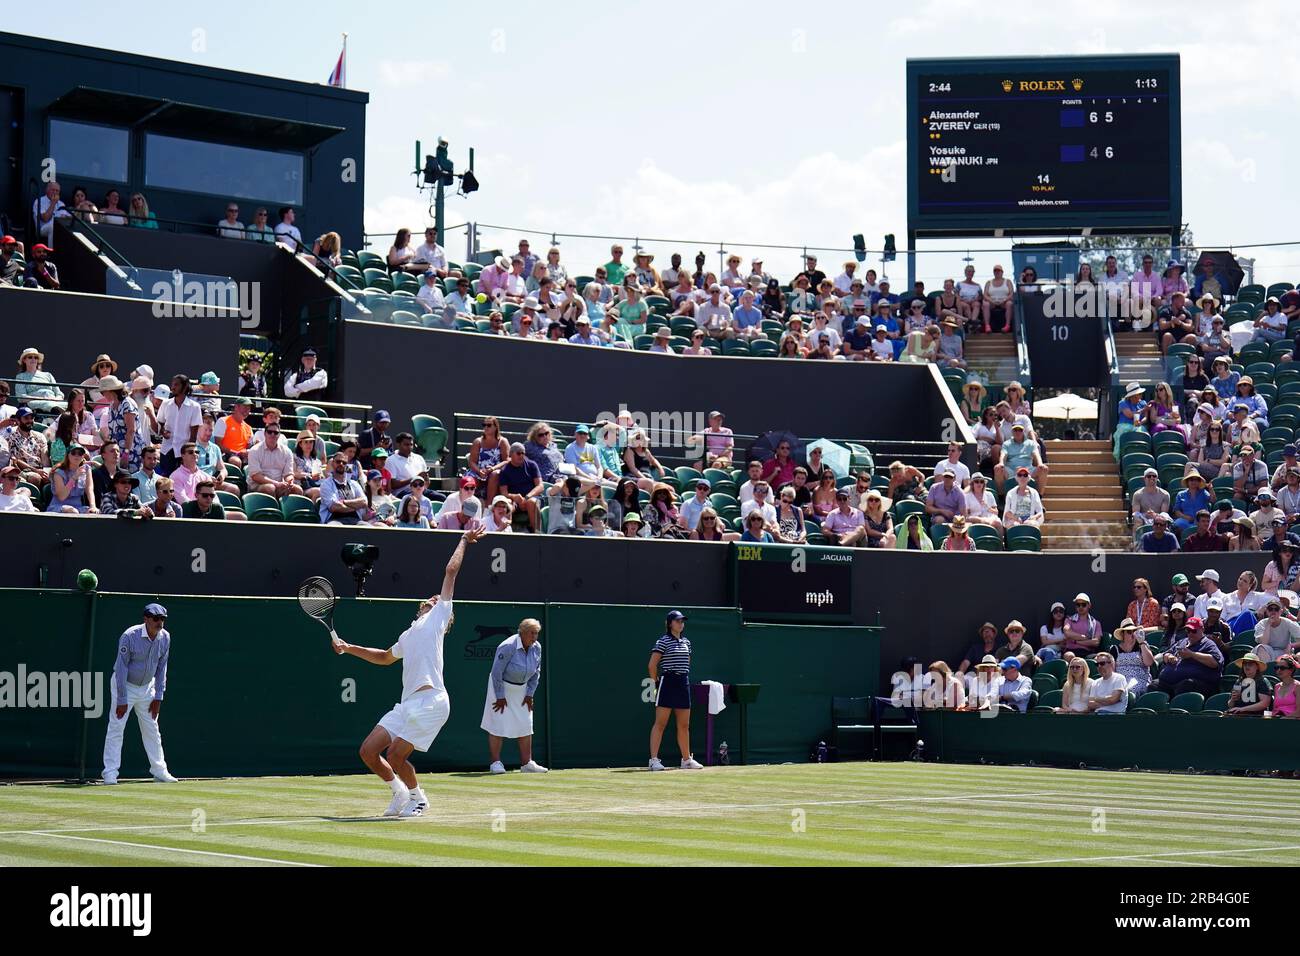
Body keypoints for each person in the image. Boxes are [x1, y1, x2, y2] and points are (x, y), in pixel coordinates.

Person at [333, 528, 485, 816]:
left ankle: (419, 798)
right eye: (431, 598)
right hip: (407, 704)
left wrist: (464, 539)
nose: (434, 599)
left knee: (395, 754)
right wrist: (348, 647)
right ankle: (399, 792)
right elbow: (385, 657)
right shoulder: (409, 633)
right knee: (368, 751)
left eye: (438, 600)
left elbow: (450, 572)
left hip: (432, 701)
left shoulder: (438, 618)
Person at [101, 603, 178, 784]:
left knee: (152, 729)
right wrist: (122, 698)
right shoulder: (129, 636)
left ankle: (159, 771)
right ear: (146, 619)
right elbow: (121, 668)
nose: (160, 623)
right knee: (116, 728)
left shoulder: (165, 638)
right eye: (156, 619)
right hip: (125, 686)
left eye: (163, 619)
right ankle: (110, 773)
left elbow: (161, 668)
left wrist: (159, 696)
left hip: (147, 688)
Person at [480, 618, 548, 774]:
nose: (535, 637)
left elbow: (536, 672)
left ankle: (526, 764)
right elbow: (497, 672)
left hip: (522, 689)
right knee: (498, 723)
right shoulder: (508, 646)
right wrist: (500, 696)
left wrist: (529, 694)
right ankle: (495, 763)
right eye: (532, 633)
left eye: (537, 633)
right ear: (522, 633)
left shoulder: (537, 647)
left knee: (525, 724)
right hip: (501, 686)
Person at [647, 610, 703, 771]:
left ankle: (686, 760)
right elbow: (652, 665)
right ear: (670, 623)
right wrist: (656, 682)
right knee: (661, 723)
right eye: (677, 621)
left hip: (683, 682)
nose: (681, 623)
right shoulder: (663, 641)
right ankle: (654, 760)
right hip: (668, 682)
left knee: (684, 725)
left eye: (682, 621)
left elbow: (687, 663)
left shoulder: (687, 642)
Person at [1155, 616, 1224, 698]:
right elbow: (1166, 654)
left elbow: (1215, 662)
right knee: (1154, 685)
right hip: (1169, 683)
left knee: (1186, 685)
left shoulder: (1208, 644)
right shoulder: (1182, 641)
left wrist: (1192, 654)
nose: (1190, 634)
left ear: (1202, 629)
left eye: (1193, 631)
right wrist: (1169, 657)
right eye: (1188, 630)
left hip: (1195, 685)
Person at [1113, 620, 1156, 695]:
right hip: (1121, 681)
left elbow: (1149, 662)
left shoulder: (1142, 645)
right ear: (1123, 635)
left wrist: (1142, 643)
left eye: (1134, 631)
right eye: (1129, 632)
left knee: (1130, 690)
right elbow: (1112, 670)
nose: (1133, 634)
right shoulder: (1114, 649)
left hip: (1140, 680)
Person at [1252, 597, 1300, 662]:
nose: (1273, 612)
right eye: (1270, 609)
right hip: (1266, 650)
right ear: (1267, 611)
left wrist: (1291, 645)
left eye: (1276, 609)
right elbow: (1264, 643)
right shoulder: (1262, 623)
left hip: (1283, 651)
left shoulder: (1287, 622)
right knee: (1261, 648)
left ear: (1281, 611)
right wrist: (1268, 624)